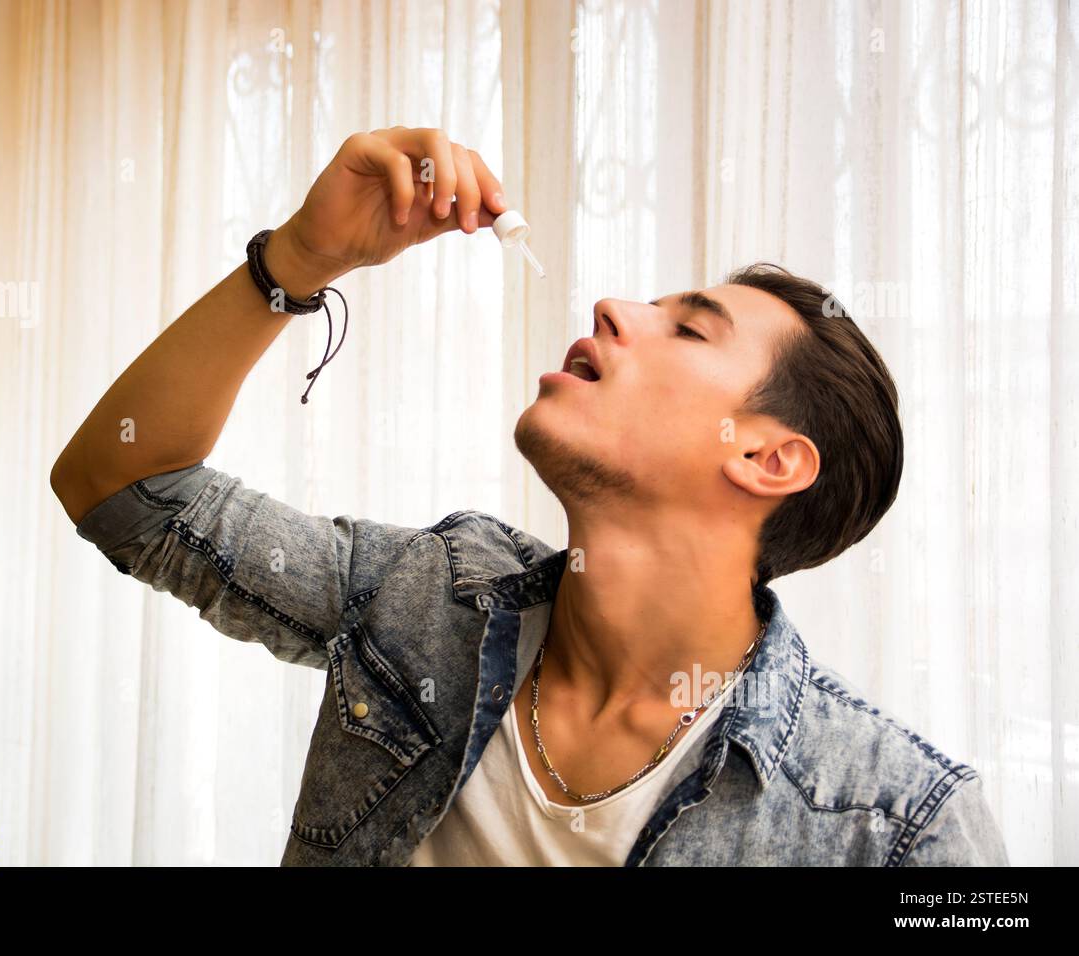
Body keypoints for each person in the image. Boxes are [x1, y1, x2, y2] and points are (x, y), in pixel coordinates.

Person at [50, 126, 1010, 867]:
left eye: (688, 331)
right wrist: (300, 259)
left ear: (767, 460)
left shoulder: (896, 826)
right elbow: (119, 484)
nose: (614, 309)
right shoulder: (425, 597)